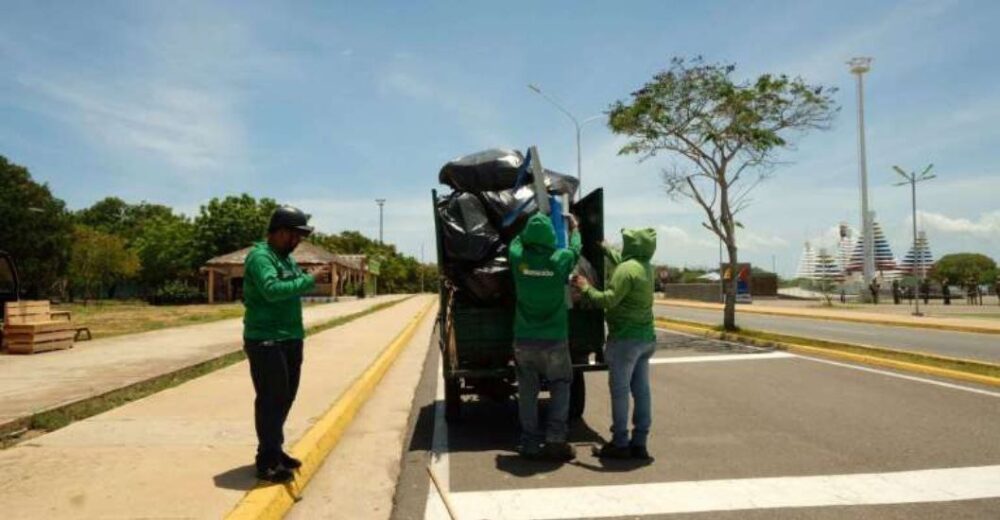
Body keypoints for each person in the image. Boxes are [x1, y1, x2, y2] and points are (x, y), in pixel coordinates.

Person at [242, 206, 324, 483]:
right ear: (280, 232)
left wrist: (304, 278)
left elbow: (294, 283)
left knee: (285, 398)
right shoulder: (261, 257)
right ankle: (266, 461)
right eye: (294, 236)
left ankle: (274, 449)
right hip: (266, 339)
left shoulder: (285, 259)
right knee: (271, 400)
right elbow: (272, 290)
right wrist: (310, 279)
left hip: (289, 337)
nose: (297, 242)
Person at [574, 228, 657, 461]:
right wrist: (607, 249)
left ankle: (620, 443)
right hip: (646, 339)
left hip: (625, 340)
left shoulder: (624, 271)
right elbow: (625, 261)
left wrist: (585, 287)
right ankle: (639, 443)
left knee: (620, 392)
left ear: (632, 246)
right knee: (642, 392)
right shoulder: (645, 267)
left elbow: (608, 299)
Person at [509, 212, 581, 461]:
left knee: (527, 393)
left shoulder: (519, 258)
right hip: (554, 339)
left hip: (524, 338)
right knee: (560, 386)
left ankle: (529, 443)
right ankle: (555, 440)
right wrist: (574, 227)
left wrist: (527, 227)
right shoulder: (560, 260)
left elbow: (515, 242)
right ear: (550, 236)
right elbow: (575, 249)